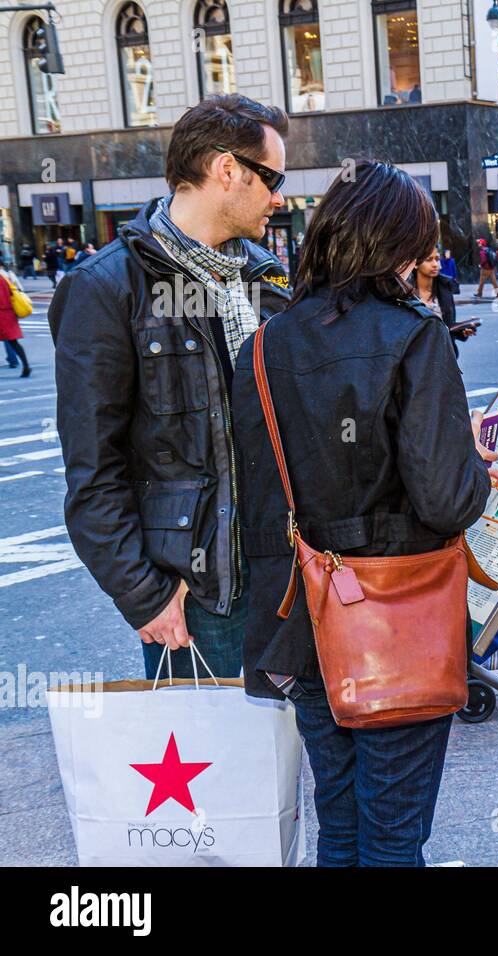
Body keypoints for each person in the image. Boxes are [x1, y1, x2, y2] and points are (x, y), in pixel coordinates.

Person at [231, 161, 498, 866]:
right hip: (395, 619)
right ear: (399, 245)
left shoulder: (262, 346)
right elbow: (446, 499)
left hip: (302, 620)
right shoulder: (416, 335)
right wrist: (471, 466)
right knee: (392, 833)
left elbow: (258, 498)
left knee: (342, 822)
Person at [48, 94, 292, 680]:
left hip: (287, 577)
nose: (279, 198)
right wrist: (144, 595)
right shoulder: (106, 287)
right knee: (218, 768)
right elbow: (92, 470)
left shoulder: (267, 278)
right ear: (226, 169)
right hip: (199, 598)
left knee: (284, 765)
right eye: (272, 178)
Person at [410, 249, 474, 356]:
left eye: (437, 259)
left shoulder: (445, 287)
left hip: (443, 357)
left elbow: (447, 326)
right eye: (429, 260)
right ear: (416, 264)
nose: (435, 264)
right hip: (415, 357)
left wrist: (462, 330)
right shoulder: (405, 292)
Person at [0, 267, 31, 377]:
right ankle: (26, 365)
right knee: (13, 342)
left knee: (12, 341)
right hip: (9, 313)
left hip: (2, 313)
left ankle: (20, 363)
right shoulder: (5, 278)